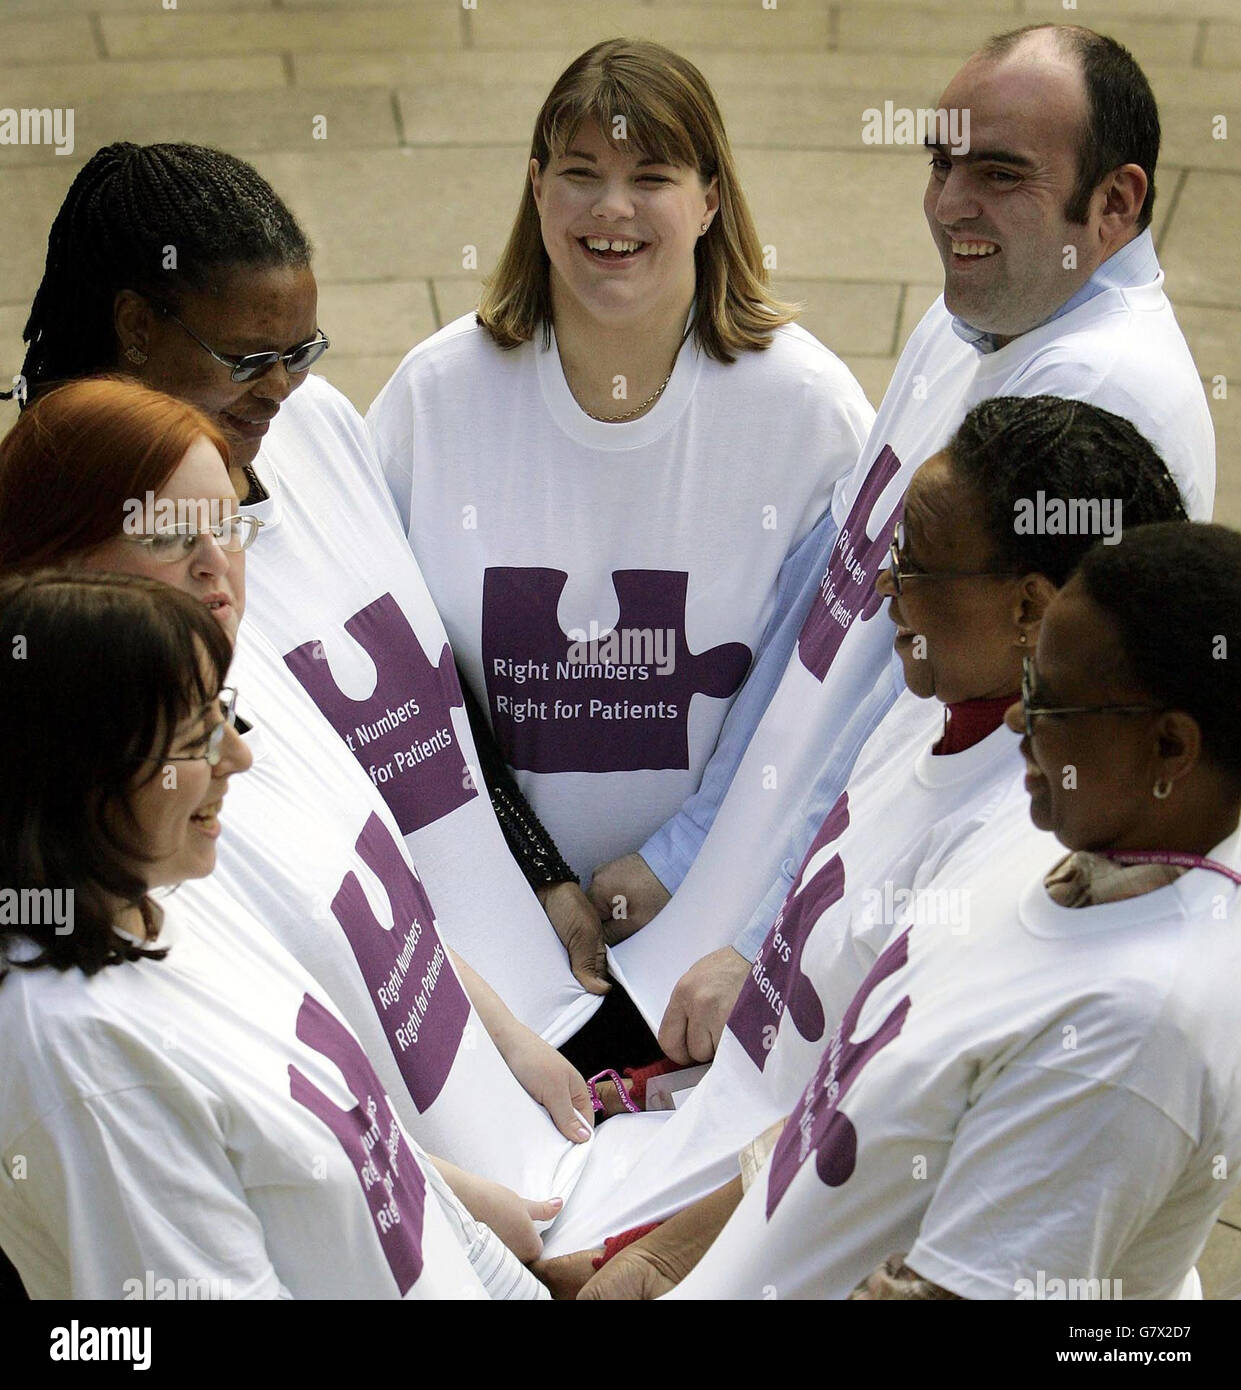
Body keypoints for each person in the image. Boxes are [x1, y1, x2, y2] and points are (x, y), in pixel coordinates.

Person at [595, 21, 1216, 1060]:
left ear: (1112, 202)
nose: (946, 204)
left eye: (998, 174)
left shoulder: (1099, 396)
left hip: (812, 975)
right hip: (725, 911)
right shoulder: (978, 314)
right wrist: (687, 847)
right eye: (939, 161)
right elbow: (828, 585)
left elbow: (933, 726)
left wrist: (768, 945)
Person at [534, 393, 1189, 1261]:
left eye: (915, 567)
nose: (884, 586)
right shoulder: (930, 704)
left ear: (1029, 610)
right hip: (662, 1158)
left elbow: (877, 1155)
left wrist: (646, 1260)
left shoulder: (1032, 841)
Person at [16, 141, 607, 1047]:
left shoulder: (320, 428)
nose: (284, 388)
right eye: (248, 358)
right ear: (136, 325)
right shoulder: (95, 586)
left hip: (551, 1002)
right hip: (406, 1078)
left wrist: (539, 868)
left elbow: (435, 683)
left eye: (302, 350)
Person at [0, 377, 601, 1260]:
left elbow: (364, 902)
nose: (219, 563)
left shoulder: (232, 665)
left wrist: (496, 1057)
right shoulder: (124, 879)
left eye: (231, 523)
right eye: (169, 536)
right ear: (51, 574)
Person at [367, 37, 875, 890]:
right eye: (579, 172)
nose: (611, 208)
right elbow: (379, 667)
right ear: (535, 186)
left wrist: (680, 868)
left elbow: (835, 692)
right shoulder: (435, 395)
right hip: (491, 918)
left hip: (715, 920)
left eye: (650, 178)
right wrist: (529, 879)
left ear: (710, 199)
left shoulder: (807, 411)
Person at [0, 571, 546, 1299]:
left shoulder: (171, 906)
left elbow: (384, 1166)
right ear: (83, 770)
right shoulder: (83, 1057)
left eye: (223, 713)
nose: (239, 757)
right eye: (197, 733)